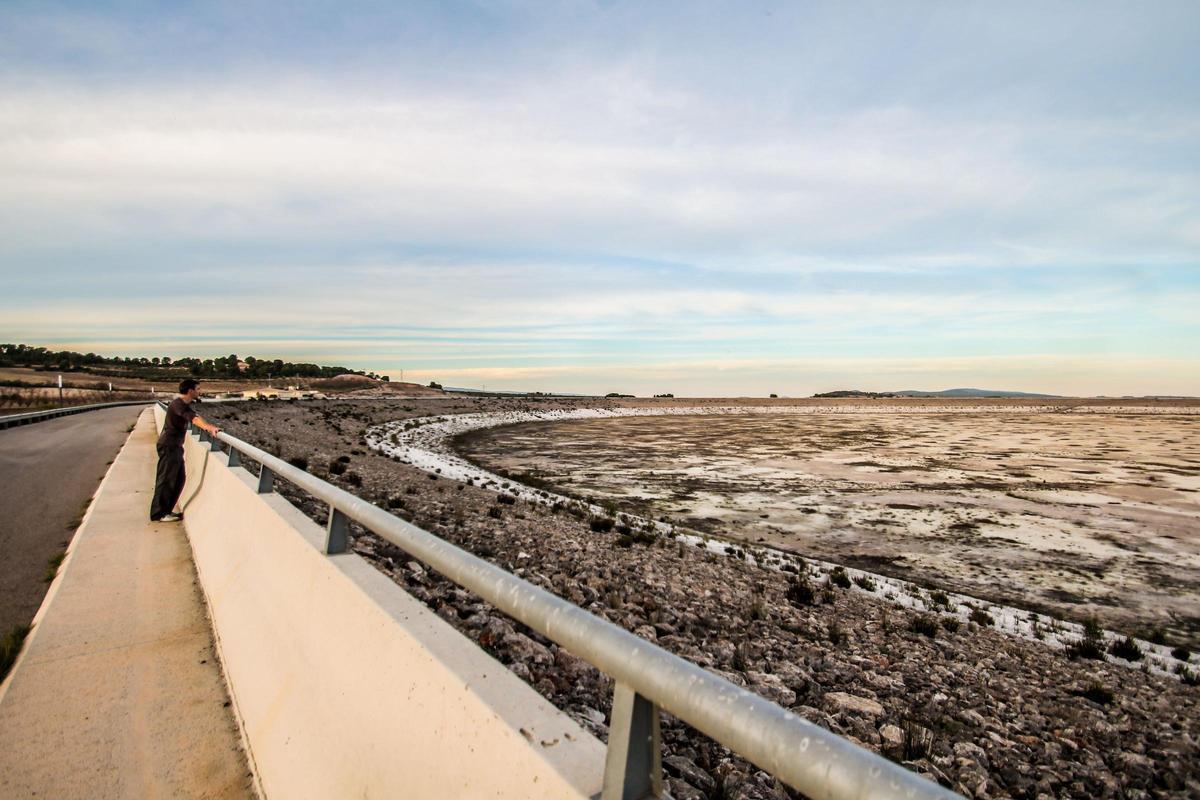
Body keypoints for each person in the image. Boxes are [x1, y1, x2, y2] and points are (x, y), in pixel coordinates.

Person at [150, 378, 221, 522]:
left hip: (175, 446)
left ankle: (167, 511)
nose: (199, 391)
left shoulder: (185, 404)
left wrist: (207, 425)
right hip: (169, 446)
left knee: (179, 479)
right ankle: (159, 513)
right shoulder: (178, 404)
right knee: (166, 479)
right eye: (198, 389)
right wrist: (209, 428)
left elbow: (196, 416)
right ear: (190, 391)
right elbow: (193, 419)